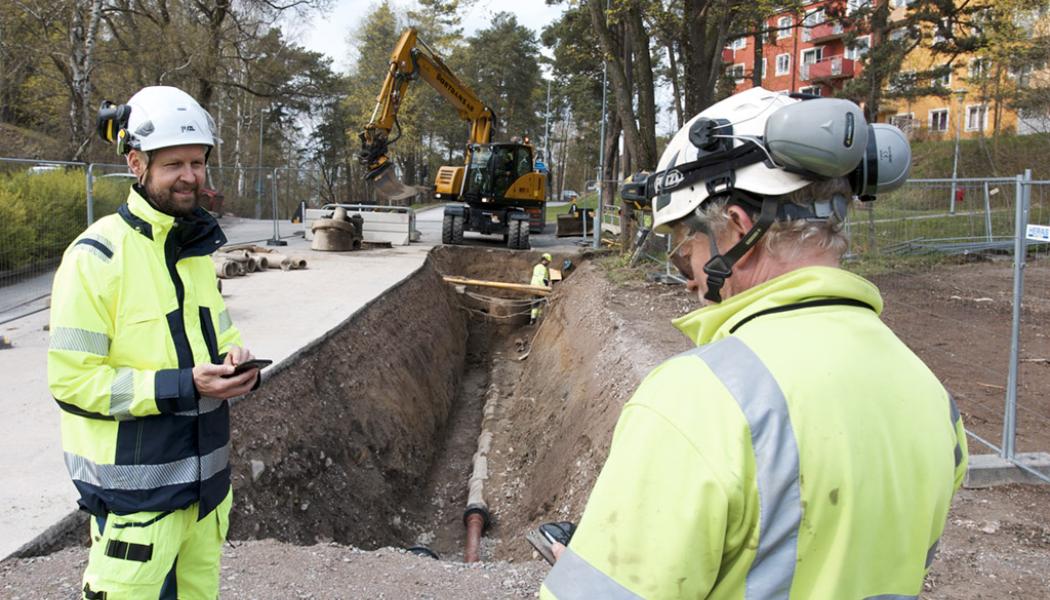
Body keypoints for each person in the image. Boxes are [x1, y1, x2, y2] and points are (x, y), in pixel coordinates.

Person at [540, 87, 967, 598]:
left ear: (738, 230)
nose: (690, 279)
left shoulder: (699, 400)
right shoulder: (931, 396)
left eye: (685, 253)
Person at [48, 86, 261, 600]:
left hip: (203, 500)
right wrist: (182, 385)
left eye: (197, 161)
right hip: (135, 505)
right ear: (136, 163)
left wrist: (241, 366)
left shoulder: (193, 253)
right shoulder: (96, 256)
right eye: (174, 165)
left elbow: (224, 340)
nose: (190, 175)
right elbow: (74, 382)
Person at [530, 253, 553, 325]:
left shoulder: (536, 267)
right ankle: (539, 319)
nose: (548, 264)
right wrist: (546, 288)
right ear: (545, 260)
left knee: (535, 304)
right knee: (542, 303)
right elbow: (542, 279)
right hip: (540, 288)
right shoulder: (543, 269)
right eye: (548, 262)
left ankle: (532, 320)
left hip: (533, 287)